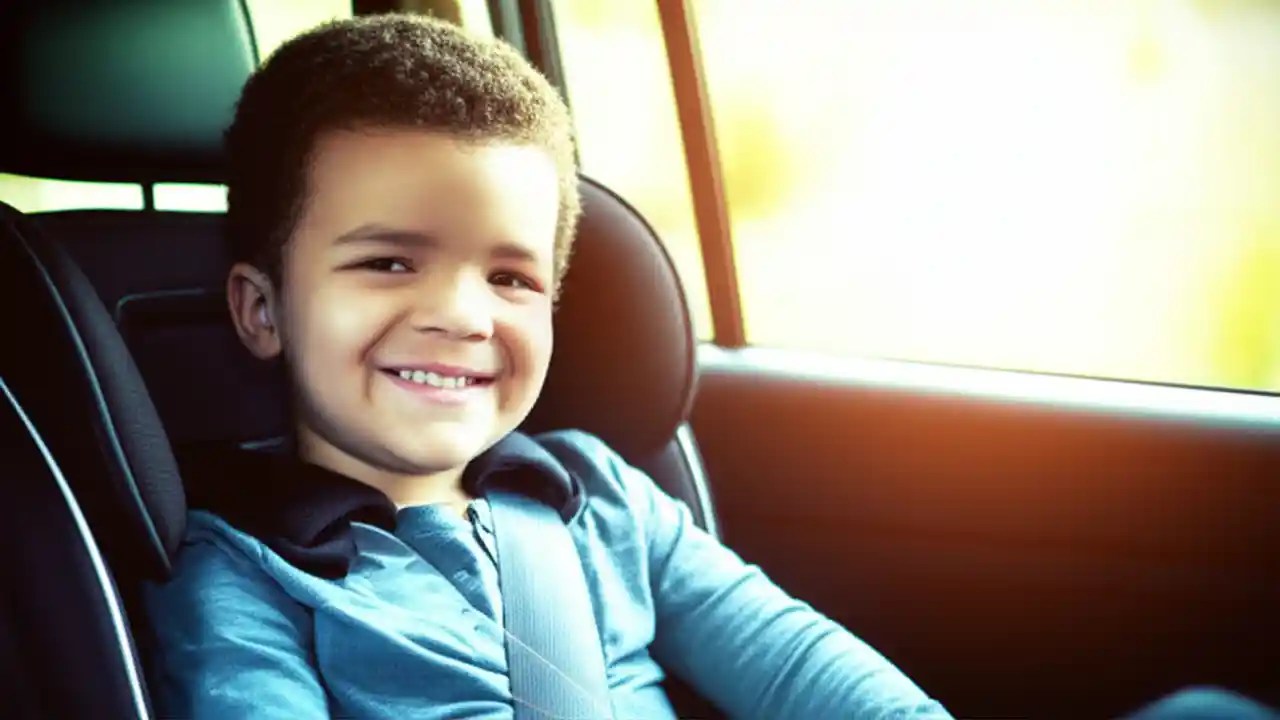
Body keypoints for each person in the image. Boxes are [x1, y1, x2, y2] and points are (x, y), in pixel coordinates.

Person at [142, 13, 952, 720]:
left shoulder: (606, 501)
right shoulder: (245, 578)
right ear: (262, 310)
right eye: (389, 262)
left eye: (509, 279)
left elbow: (801, 671)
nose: (462, 316)